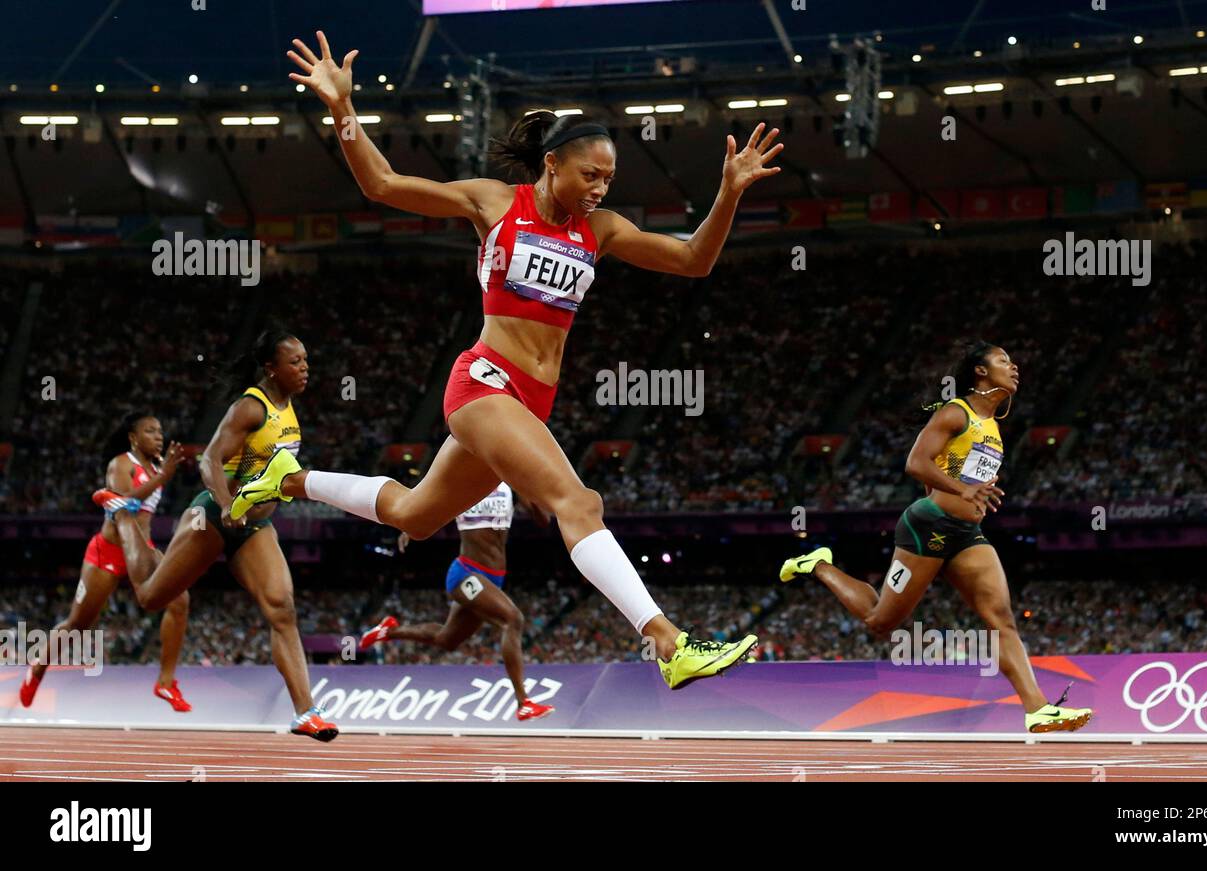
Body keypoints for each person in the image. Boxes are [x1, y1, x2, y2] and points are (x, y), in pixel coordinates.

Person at [231, 30, 785, 689]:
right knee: (578, 502)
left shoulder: (599, 231)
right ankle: (668, 642)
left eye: (609, 177)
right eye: (590, 174)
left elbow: (695, 260)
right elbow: (381, 183)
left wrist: (728, 193)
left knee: (416, 513)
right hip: (484, 384)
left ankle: (289, 478)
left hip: (532, 398)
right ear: (552, 164)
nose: (600, 188)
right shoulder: (496, 202)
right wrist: (342, 109)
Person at [780, 341, 1093, 733]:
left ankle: (1037, 708)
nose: (1014, 368)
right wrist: (962, 490)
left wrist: (971, 494)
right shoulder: (955, 412)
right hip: (928, 525)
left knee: (1001, 619)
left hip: (966, 533)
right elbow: (915, 463)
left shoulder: (994, 426)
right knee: (881, 623)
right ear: (981, 372)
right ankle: (820, 564)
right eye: (1003, 361)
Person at [101, 329, 339, 741]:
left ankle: (306, 712)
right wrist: (228, 505)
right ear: (271, 368)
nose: (305, 368)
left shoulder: (288, 409)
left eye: (305, 360)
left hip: (255, 526)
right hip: (211, 516)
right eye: (295, 362)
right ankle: (123, 515)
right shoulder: (251, 406)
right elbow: (209, 460)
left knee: (282, 607)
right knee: (151, 597)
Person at [20, 413, 191, 711]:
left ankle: (165, 683)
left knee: (180, 601)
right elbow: (123, 506)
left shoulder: (157, 466)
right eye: (150, 431)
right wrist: (162, 477)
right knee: (79, 624)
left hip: (143, 550)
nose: (159, 436)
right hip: (108, 552)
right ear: (133, 438)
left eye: (160, 431)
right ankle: (37, 668)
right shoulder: (121, 464)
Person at [360, 483, 556, 720]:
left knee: (446, 639)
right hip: (465, 573)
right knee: (512, 619)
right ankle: (523, 702)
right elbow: (432, 508)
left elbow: (544, 521)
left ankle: (389, 631)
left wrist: (529, 491)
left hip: (494, 579)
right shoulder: (465, 484)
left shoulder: (510, 484)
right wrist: (410, 529)